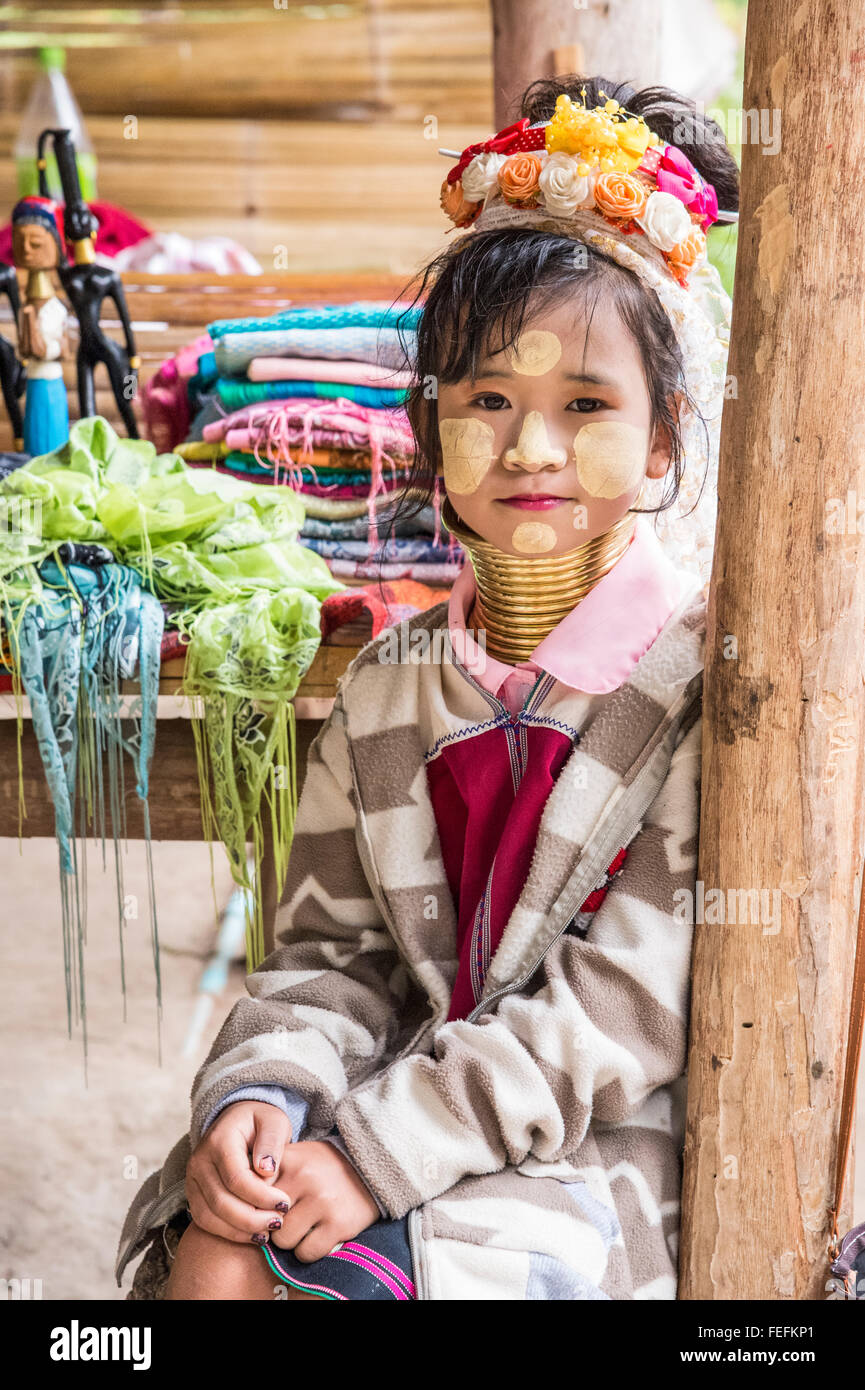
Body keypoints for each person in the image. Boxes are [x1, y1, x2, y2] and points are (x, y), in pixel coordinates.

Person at [117, 73, 738, 1301]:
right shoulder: (394, 689)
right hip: (391, 1107)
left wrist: (371, 1150)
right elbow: (327, 955)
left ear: (664, 436)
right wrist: (265, 1096)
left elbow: (620, 1010)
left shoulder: (701, 694)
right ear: (431, 428)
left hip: (591, 1150)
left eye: (587, 405)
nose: (531, 447)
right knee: (214, 1238)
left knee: (333, 1273)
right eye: (488, 401)